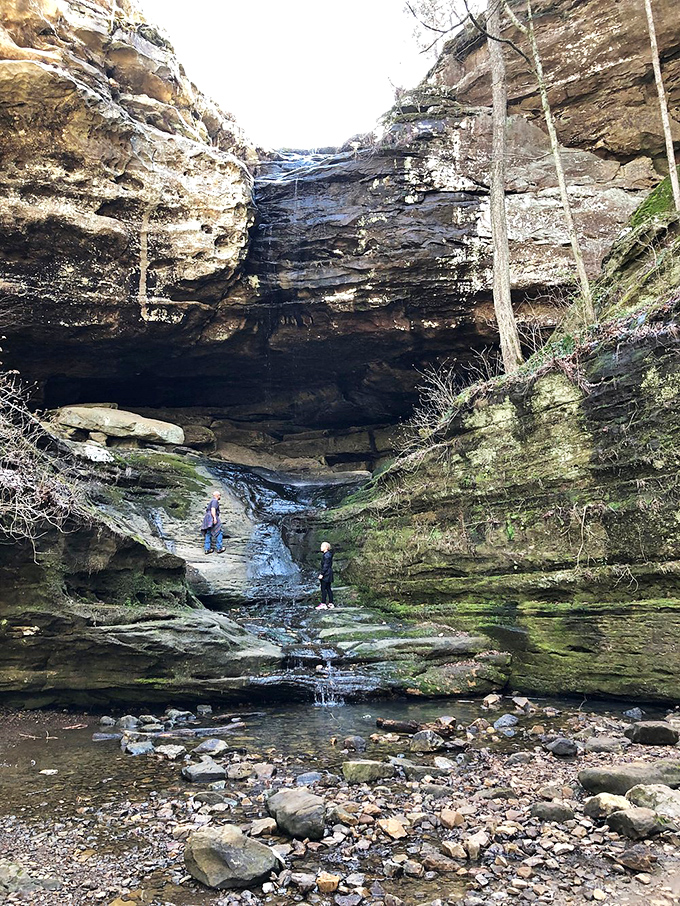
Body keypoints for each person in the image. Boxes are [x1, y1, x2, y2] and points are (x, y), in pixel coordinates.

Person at [316, 541, 334, 609]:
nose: (321, 547)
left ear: (326, 547)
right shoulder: (328, 554)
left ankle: (323, 603)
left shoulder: (326, 555)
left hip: (326, 574)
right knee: (328, 588)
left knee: (323, 589)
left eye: (322, 546)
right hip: (329, 573)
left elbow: (325, 565)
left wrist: (322, 574)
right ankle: (331, 603)